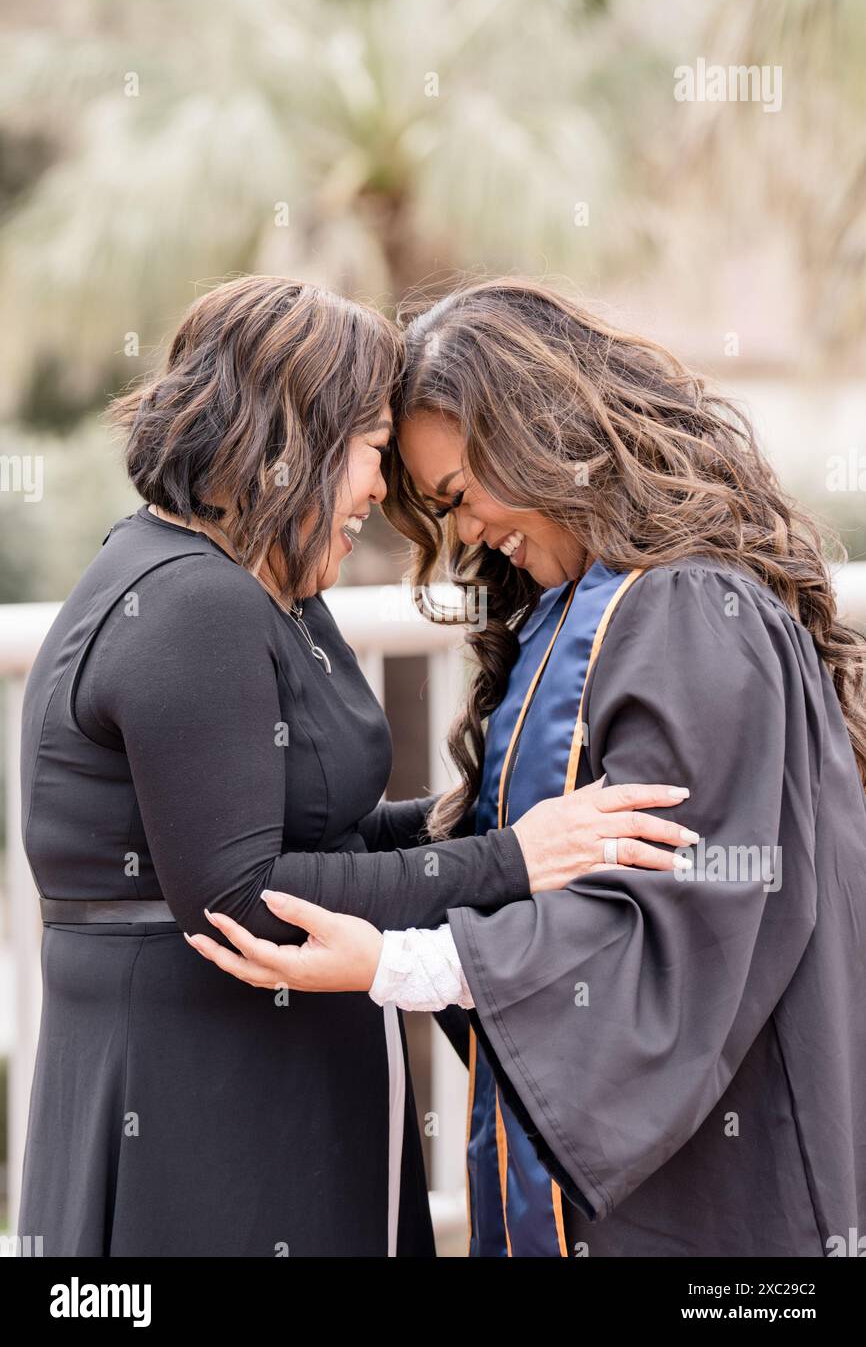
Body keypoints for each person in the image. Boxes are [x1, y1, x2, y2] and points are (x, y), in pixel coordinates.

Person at [16, 275, 690, 1258]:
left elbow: (314, 833)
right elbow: (245, 895)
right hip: (204, 1124)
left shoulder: (252, 582)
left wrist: (479, 820)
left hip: (255, 1095)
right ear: (293, 442)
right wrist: (511, 861)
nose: (381, 491)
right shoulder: (191, 608)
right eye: (373, 450)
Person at [190, 278, 866, 1258]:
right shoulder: (587, 608)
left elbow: (672, 922)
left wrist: (397, 964)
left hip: (721, 1183)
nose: (464, 532)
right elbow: (540, 850)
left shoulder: (687, 615)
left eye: (461, 494)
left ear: (536, 432)